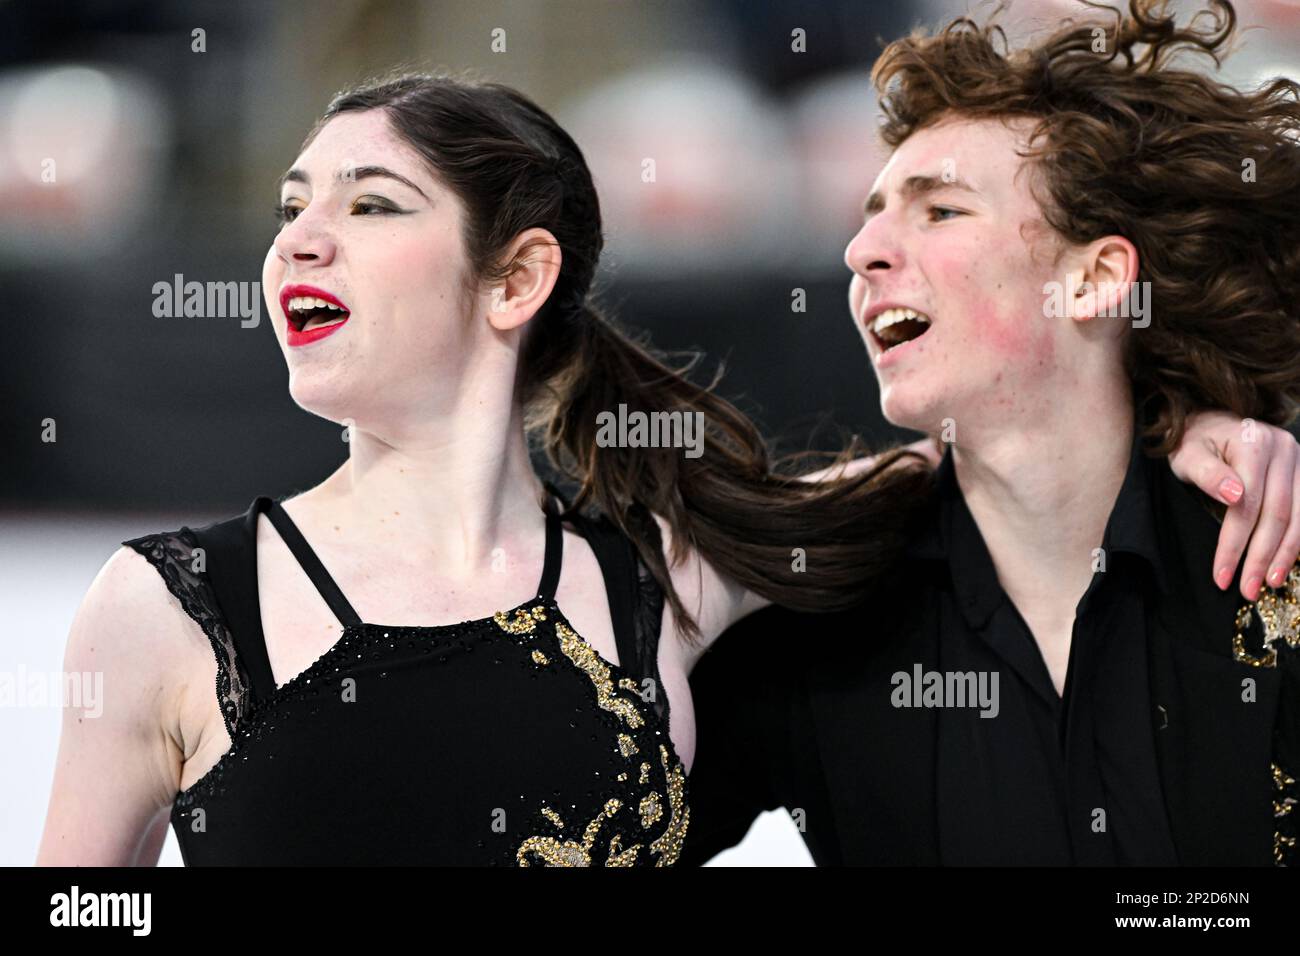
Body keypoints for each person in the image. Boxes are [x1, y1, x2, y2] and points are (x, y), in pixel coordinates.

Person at [35, 64, 1297, 866]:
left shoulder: (686, 598)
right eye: (288, 209)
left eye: (368, 204)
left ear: (516, 276)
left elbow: (994, 472)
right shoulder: (174, 603)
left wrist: (1192, 418)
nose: (863, 251)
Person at [681, 0, 1300, 866]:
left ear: (1094, 279)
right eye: (872, 214)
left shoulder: (1266, 565)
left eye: (940, 212)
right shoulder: (824, 610)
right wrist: (692, 592)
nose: (862, 250)